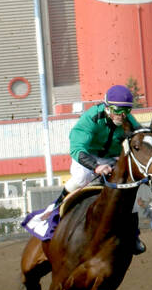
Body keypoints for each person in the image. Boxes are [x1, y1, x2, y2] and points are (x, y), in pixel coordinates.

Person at [60, 83, 146, 253]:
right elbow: (77, 149)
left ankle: (134, 235)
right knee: (80, 179)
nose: (122, 115)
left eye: (126, 111)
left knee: (128, 189)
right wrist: (96, 167)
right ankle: (55, 213)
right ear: (107, 107)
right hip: (87, 157)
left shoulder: (129, 121)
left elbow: (140, 139)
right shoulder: (91, 119)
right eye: (117, 110)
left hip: (111, 158)